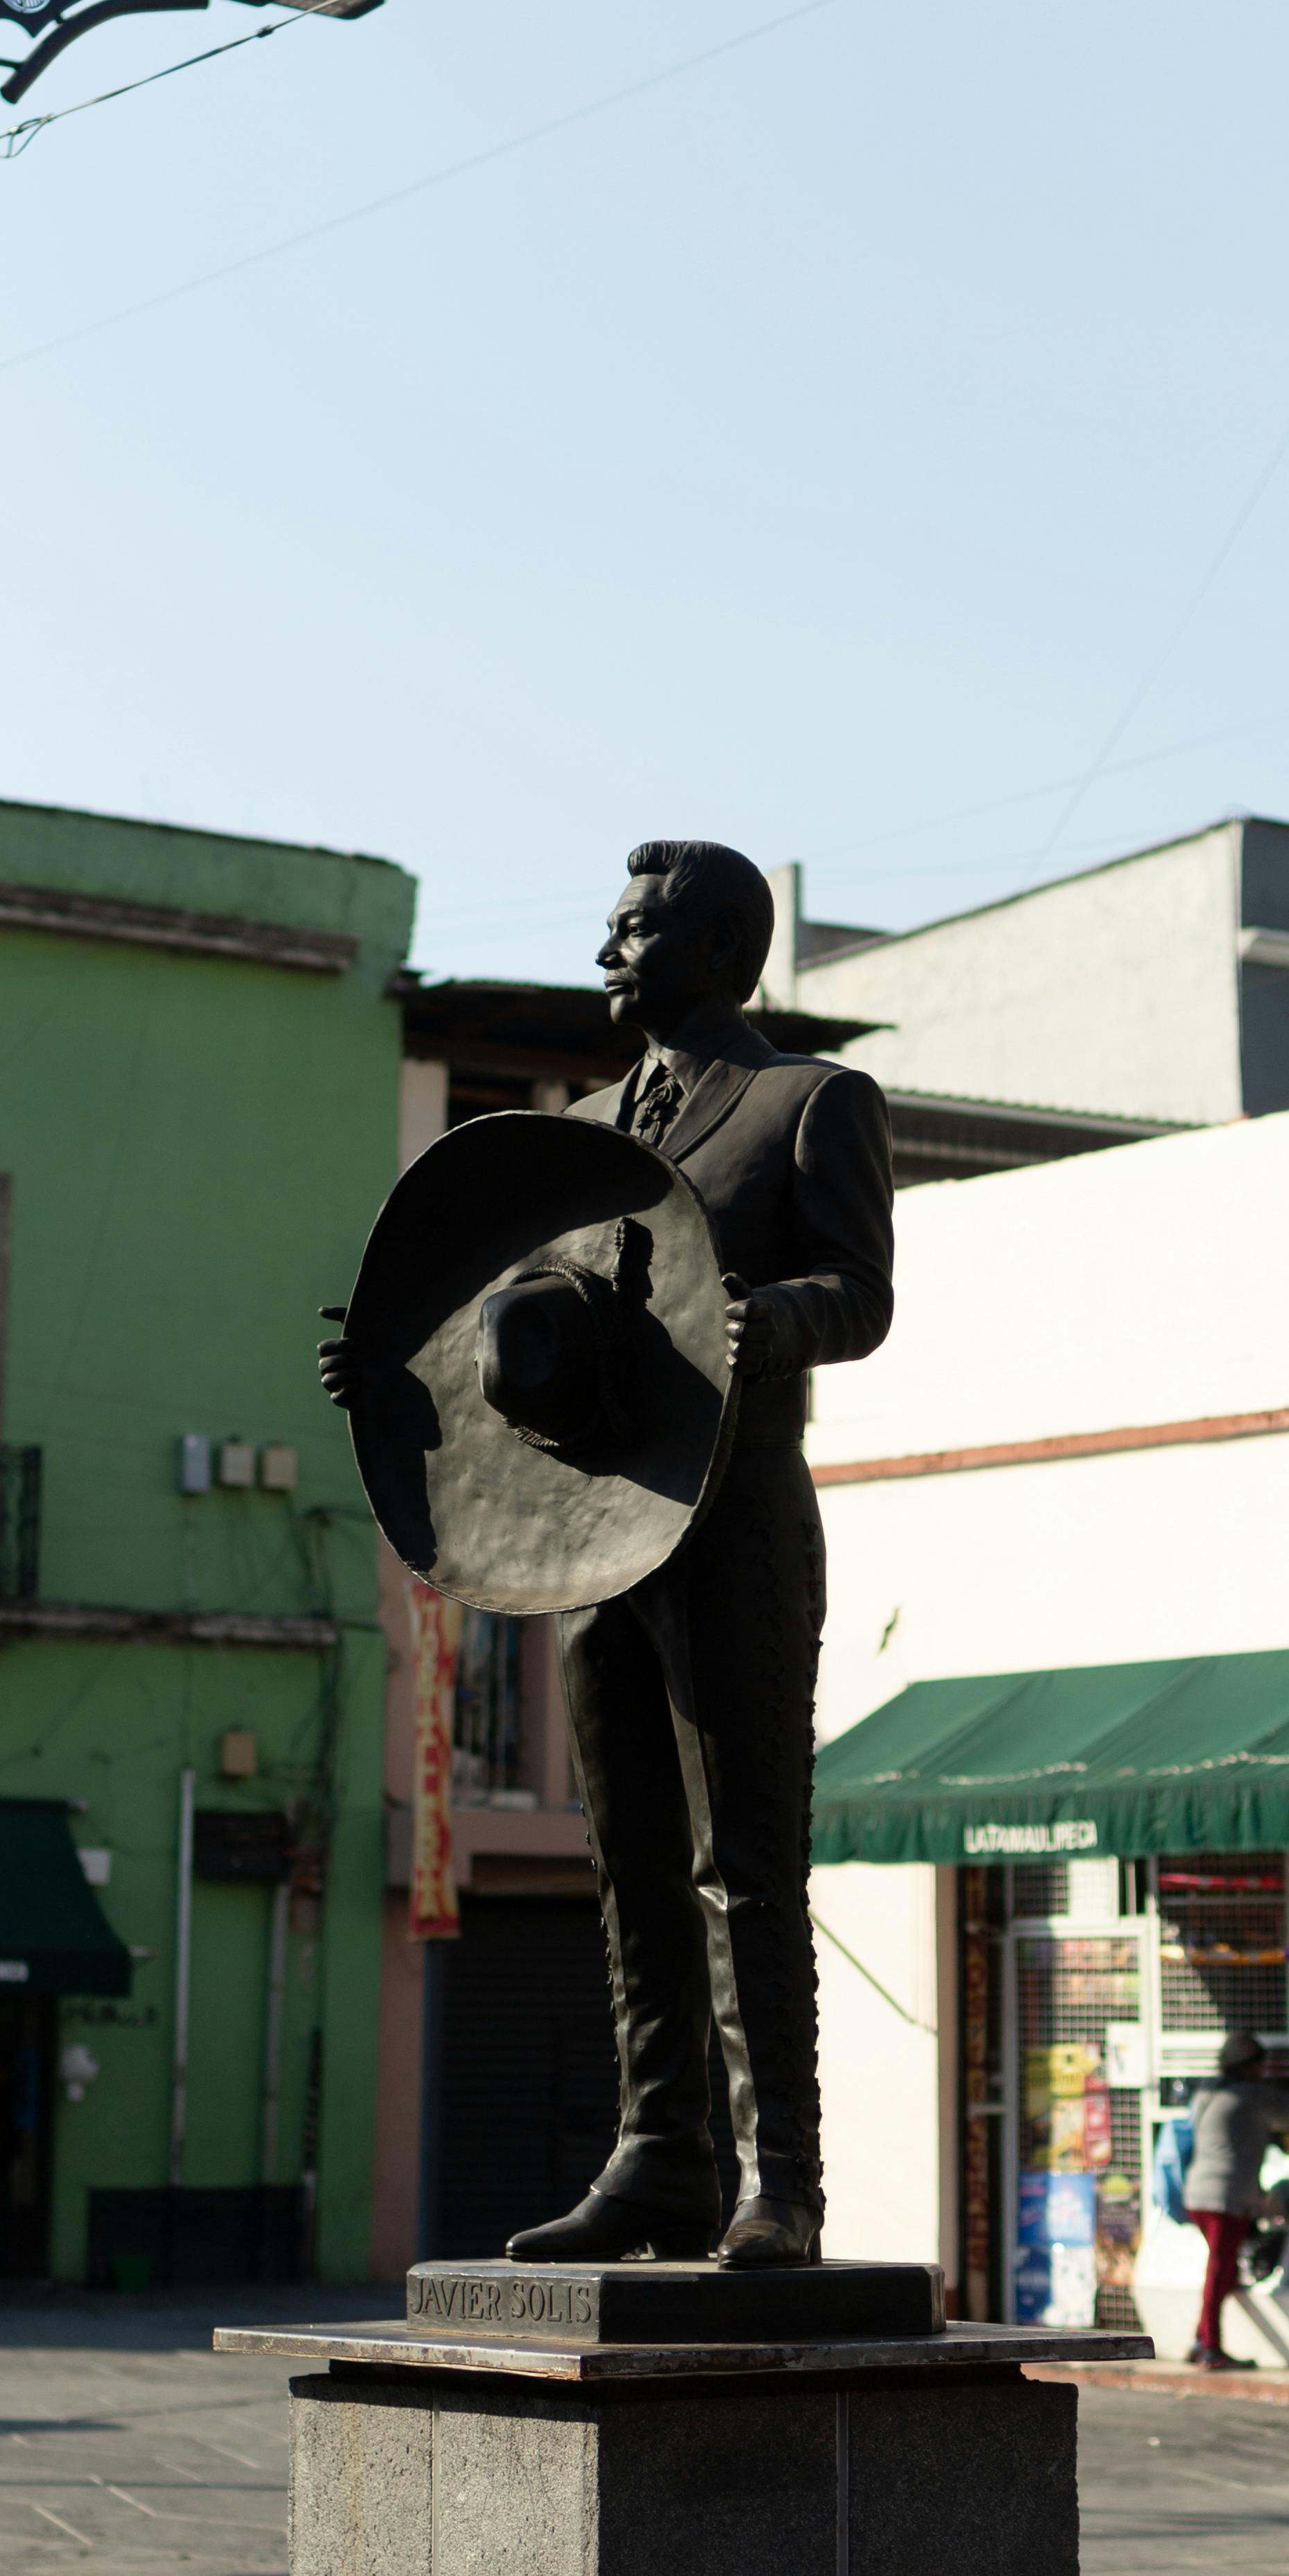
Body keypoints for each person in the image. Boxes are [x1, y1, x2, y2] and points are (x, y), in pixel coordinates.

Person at [328, 837, 891, 2270]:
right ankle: (660, 2154)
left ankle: (785, 2178)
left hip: (737, 1515)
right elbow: (533, 1332)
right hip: (597, 1538)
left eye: (635, 928)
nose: (607, 951)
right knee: (630, 1855)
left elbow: (862, 1291)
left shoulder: (809, 1100)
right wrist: (407, 1374)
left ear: (719, 948)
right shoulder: (577, 1131)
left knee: (743, 1864)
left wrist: (780, 1319)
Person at [1182, 2027, 1289, 2369]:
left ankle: (1200, 2340)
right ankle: (1211, 2349)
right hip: (1225, 2197)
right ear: (1252, 2067)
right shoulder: (1251, 2095)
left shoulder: (1206, 2093)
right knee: (1219, 2272)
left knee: (1222, 2272)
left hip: (1198, 2193)